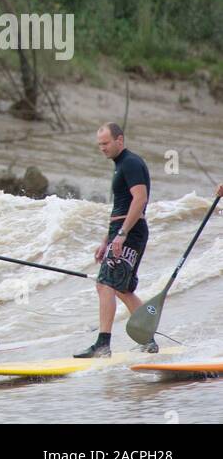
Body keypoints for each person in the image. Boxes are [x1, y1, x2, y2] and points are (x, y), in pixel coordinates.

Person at [76, 123, 153, 358]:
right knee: (122, 288)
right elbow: (119, 208)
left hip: (131, 232)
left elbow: (139, 200)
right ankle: (149, 339)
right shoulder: (120, 165)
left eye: (106, 143)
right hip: (123, 230)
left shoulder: (130, 163)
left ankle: (103, 344)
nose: (102, 148)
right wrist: (106, 240)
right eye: (99, 144)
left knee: (105, 284)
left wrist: (122, 234)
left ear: (120, 140)